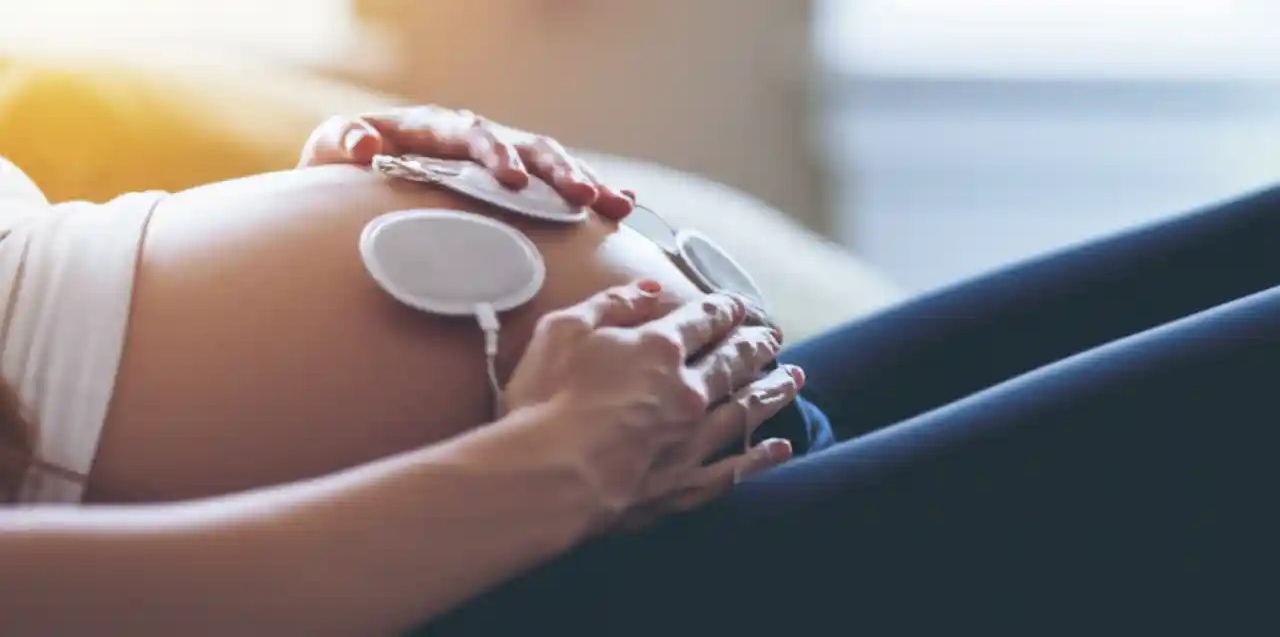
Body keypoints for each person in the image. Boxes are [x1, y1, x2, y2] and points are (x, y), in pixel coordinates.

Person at [3, 105, 1277, 634]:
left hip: (647, 449)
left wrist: (316, 201)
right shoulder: (562, 478)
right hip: (547, 561)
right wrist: (554, 462)